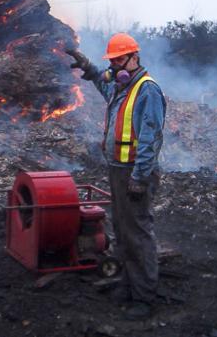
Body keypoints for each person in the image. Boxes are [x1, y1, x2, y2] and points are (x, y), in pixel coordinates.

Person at [66, 33, 166, 320]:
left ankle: (145, 297)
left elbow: (151, 137)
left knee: (138, 233)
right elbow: (102, 84)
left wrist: (140, 176)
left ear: (135, 57)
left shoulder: (147, 91)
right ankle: (128, 284)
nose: (115, 66)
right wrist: (88, 67)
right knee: (122, 231)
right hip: (118, 169)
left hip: (134, 173)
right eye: (112, 61)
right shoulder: (122, 88)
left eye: (119, 60)